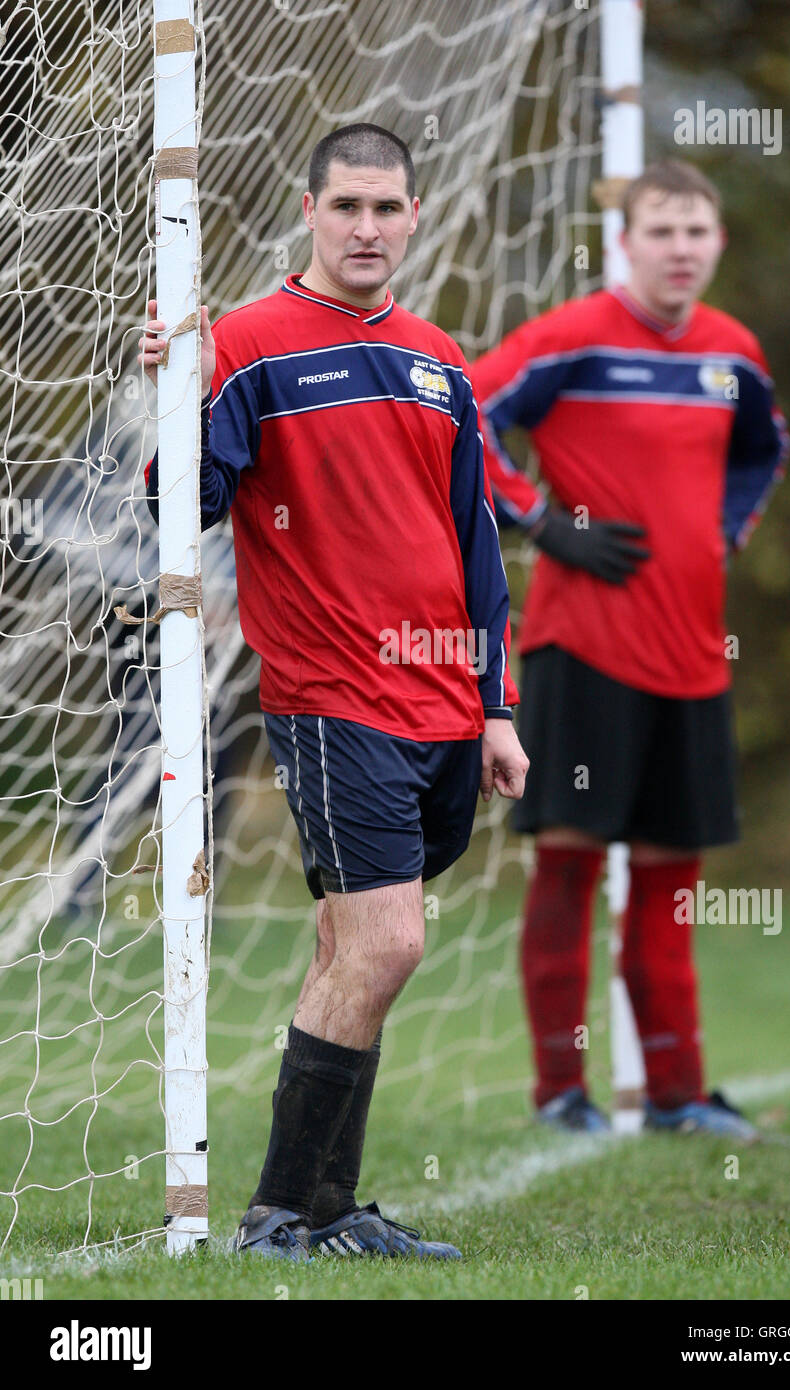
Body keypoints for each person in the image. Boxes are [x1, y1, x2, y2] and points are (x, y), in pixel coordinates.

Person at [139, 123, 528, 1261]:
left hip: (443, 704)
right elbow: (188, 500)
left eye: (386, 209)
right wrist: (176, 388)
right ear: (309, 211)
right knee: (388, 945)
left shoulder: (437, 357)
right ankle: (270, 1214)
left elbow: (476, 544)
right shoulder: (251, 344)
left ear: (412, 217)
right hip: (330, 697)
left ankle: (330, 1208)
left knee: (346, 947)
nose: (366, 227)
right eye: (346, 206)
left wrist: (494, 704)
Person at [471, 160, 790, 1139]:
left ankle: (676, 1093)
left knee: (667, 878)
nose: (680, 248)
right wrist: (538, 518)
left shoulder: (730, 353)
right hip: (582, 645)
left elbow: (761, 450)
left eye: (696, 231)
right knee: (566, 867)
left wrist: (717, 537)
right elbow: (459, 415)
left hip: (692, 654)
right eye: (661, 231)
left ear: (717, 242)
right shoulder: (569, 337)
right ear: (626, 241)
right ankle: (559, 1092)